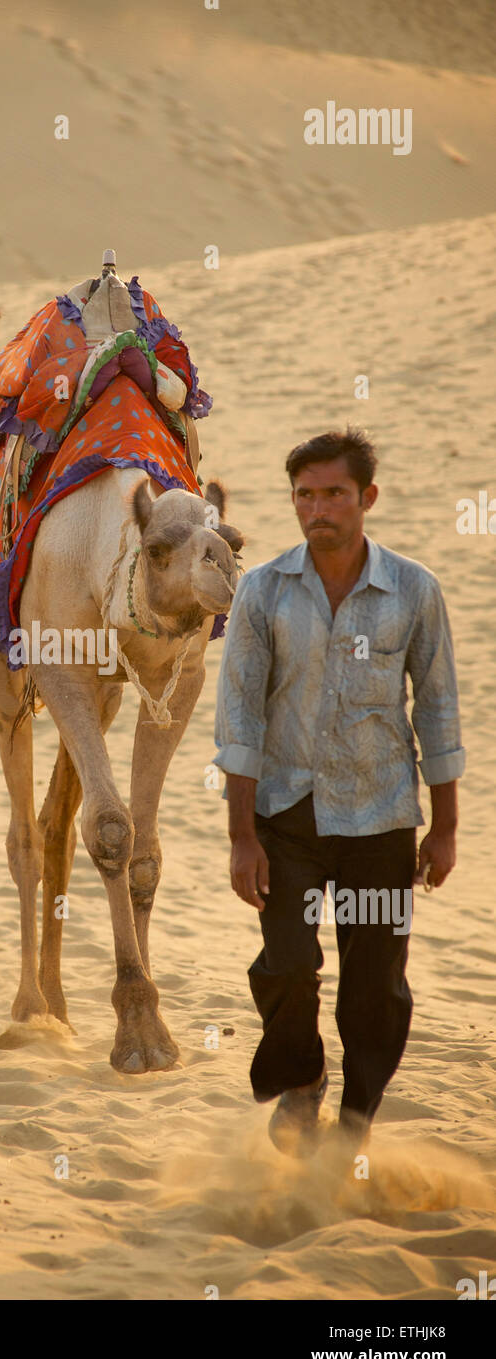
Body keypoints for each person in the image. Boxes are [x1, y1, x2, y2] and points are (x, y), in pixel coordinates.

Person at [213, 429, 464, 1154]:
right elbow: (240, 719)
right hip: (285, 817)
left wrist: (444, 827)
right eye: (304, 494)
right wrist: (241, 837)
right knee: (287, 964)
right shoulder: (262, 591)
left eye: (334, 494)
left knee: (375, 989)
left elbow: (439, 709)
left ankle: (354, 1126)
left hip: (382, 818)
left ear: (367, 500)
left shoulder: (413, 590)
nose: (317, 508)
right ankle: (300, 1085)